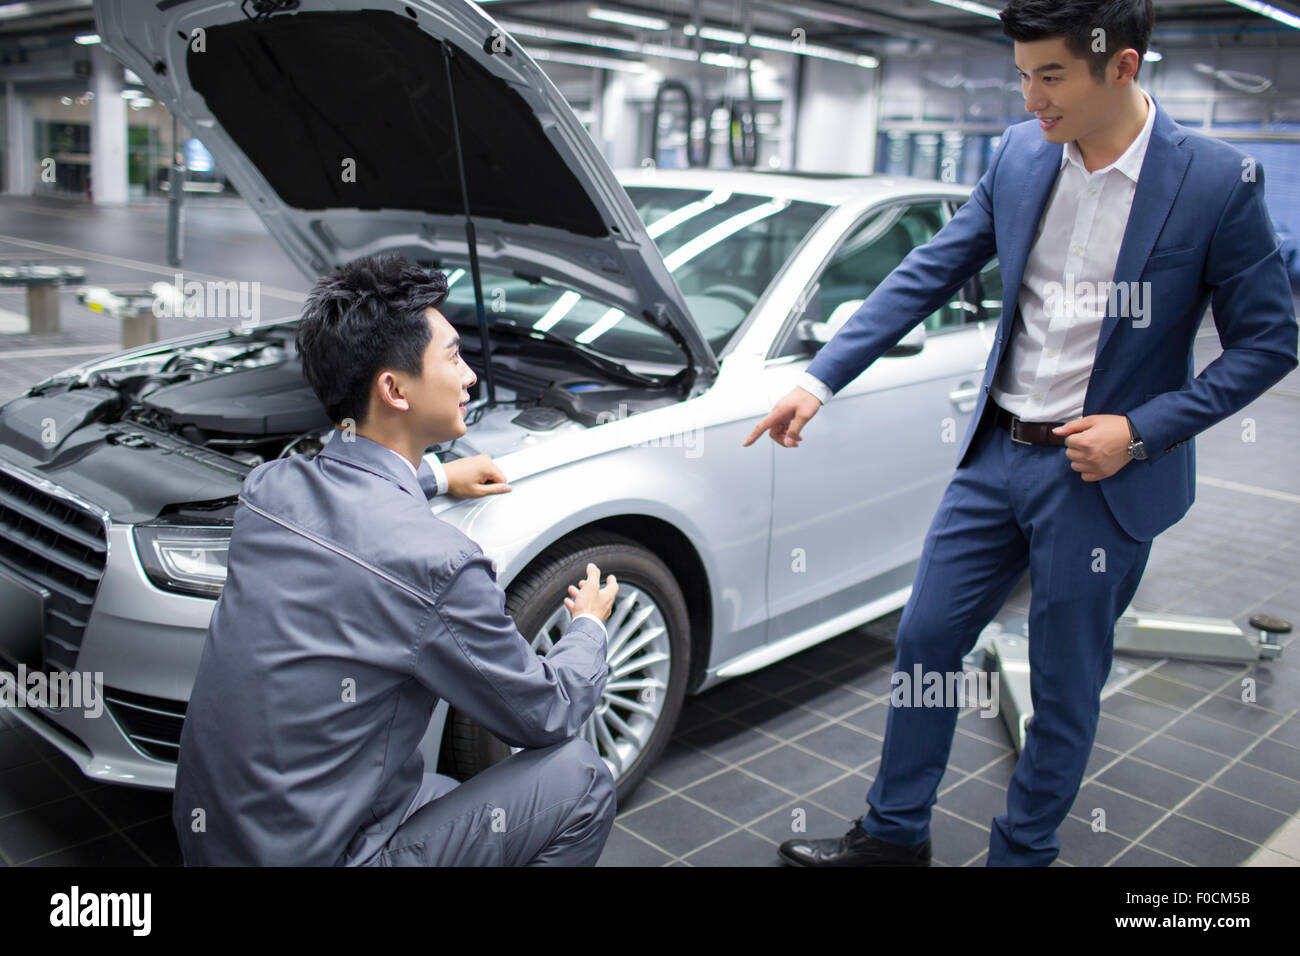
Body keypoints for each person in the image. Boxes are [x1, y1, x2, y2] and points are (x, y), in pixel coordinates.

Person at [745, 0, 1298, 866]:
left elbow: (1271, 341)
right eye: (1022, 75)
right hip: (997, 453)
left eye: (1051, 76)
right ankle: (894, 837)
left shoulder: (1214, 181)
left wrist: (1142, 430)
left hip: (1100, 476)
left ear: (1122, 66)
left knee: (1064, 683)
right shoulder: (1018, 152)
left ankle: (1022, 853)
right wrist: (820, 379)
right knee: (926, 638)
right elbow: (933, 266)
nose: (1032, 99)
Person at [172, 253, 619, 866]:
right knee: (579, 777)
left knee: (437, 790)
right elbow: (547, 714)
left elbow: (353, 500)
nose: (470, 377)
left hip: (220, 839)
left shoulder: (268, 489)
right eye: (455, 356)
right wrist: (589, 626)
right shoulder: (440, 564)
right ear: (393, 388)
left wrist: (433, 475)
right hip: (332, 856)